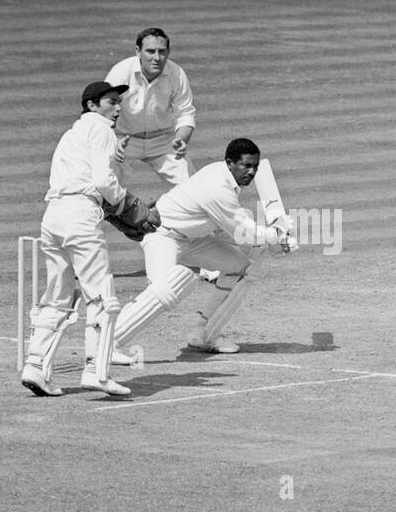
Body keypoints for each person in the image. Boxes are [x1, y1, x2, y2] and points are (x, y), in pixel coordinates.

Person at [20, 81, 159, 398]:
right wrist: (131, 206)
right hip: (81, 215)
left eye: (119, 101)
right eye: (111, 101)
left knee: (57, 297)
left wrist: (117, 203)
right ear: (92, 105)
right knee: (103, 298)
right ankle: (97, 373)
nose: (118, 107)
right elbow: (103, 182)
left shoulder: (70, 135)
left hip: (53, 217)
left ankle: (35, 367)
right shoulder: (101, 129)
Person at [109, 138, 296, 357]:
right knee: (163, 290)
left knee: (240, 268)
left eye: (255, 166)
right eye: (246, 165)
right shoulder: (218, 187)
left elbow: (232, 224)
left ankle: (204, 334)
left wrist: (273, 238)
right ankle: (109, 343)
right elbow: (242, 232)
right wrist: (275, 235)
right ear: (230, 163)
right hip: (162, 236)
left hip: (194, 239)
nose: (252, 172)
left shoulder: (225, 178)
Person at [105, 27, 196, 188]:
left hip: (164, 141)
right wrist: (113, 141)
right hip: (124, 140)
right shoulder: (120, 72)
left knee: (193, 189)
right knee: (103, 186)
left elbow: (185, 113)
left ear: (168, 52)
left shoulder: (177, 74)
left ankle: (162, 210)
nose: (157, 58)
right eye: (150, 51)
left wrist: (181, 140)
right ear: (138, 51)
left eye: (162, 51)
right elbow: (104, 112)